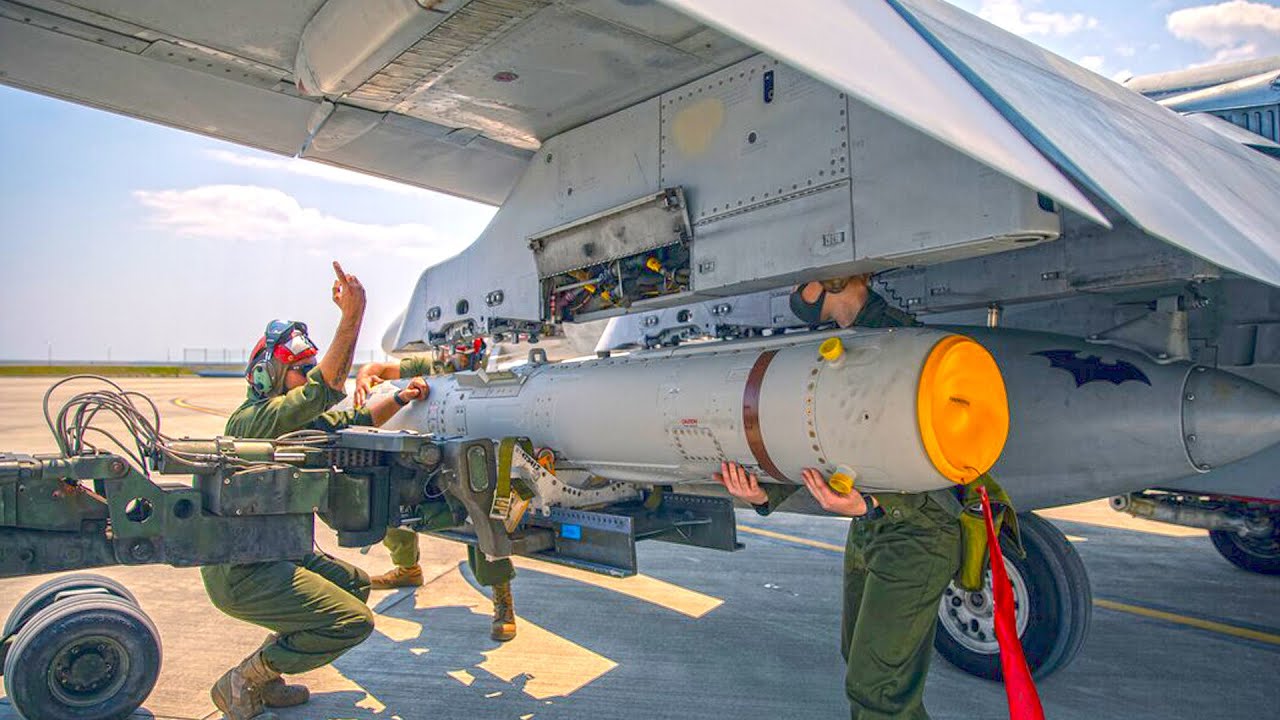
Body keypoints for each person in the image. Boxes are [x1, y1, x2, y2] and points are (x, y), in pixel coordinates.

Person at [715, 273, 963, 720]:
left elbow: (936, 458)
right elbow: (813, 439)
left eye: (803, 281)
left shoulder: (900, 341)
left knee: (877, 687)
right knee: (862, 660)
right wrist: (760, 494)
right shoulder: (837, 343)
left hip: (920, 532)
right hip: (872, 532)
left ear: (837, 278)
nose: (796, 294)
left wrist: (873, 504)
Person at [203, 261, 430, 720]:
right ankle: (244, 679)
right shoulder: (253, 421)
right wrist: (352, 316)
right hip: (242, 570)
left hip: (276, 553)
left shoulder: (296, 423)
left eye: (309, 368)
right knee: (352, 622)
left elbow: (357, 419)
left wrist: (403, 396)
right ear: (267, 376)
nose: (307, 377)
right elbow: (324, 390)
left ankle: (267, 675)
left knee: (354, 586)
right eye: (297, 370)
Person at [351, 341, 519, 642]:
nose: (459, 357)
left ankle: (502, 602)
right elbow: (379, 368)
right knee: (393, 502)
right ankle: (407, 569)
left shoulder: (492, 372)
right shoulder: (428, 367)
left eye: (468, 352)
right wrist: (365, 375)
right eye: (456, 350)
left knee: (482, 520)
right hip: (432, 457)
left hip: (473, 459)